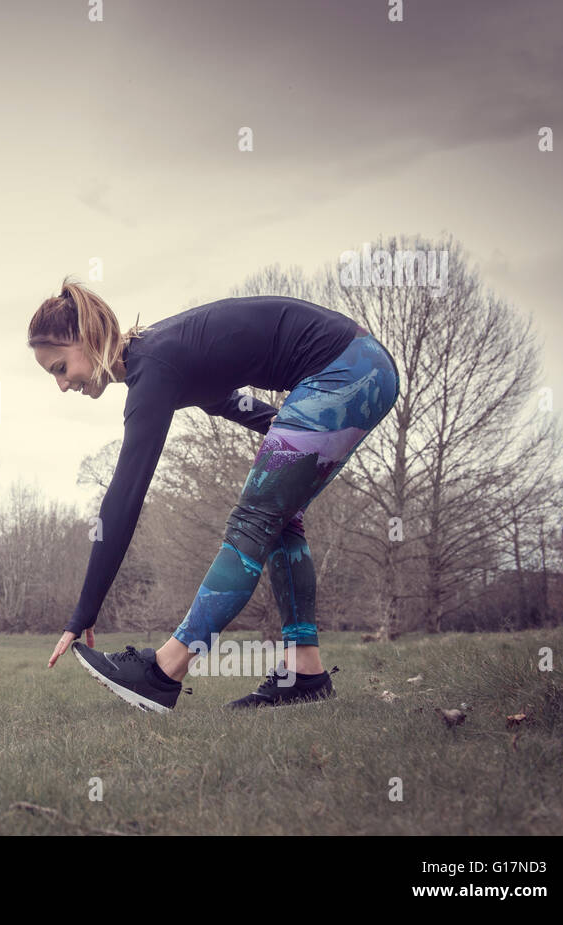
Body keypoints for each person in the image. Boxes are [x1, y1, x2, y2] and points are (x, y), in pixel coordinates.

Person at [32, 277, 398, 711]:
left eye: (59, 368)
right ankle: (305, 673)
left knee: (255, 518)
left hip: (346, 370)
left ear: (86, 337)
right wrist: (287, 428)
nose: (61, 384)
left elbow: (124, 497)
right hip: (355, 367)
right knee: (277, 518)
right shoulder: (160, 356)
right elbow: (227, 401)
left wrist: (83, 614)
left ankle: (164, 670)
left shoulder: (155, 364)